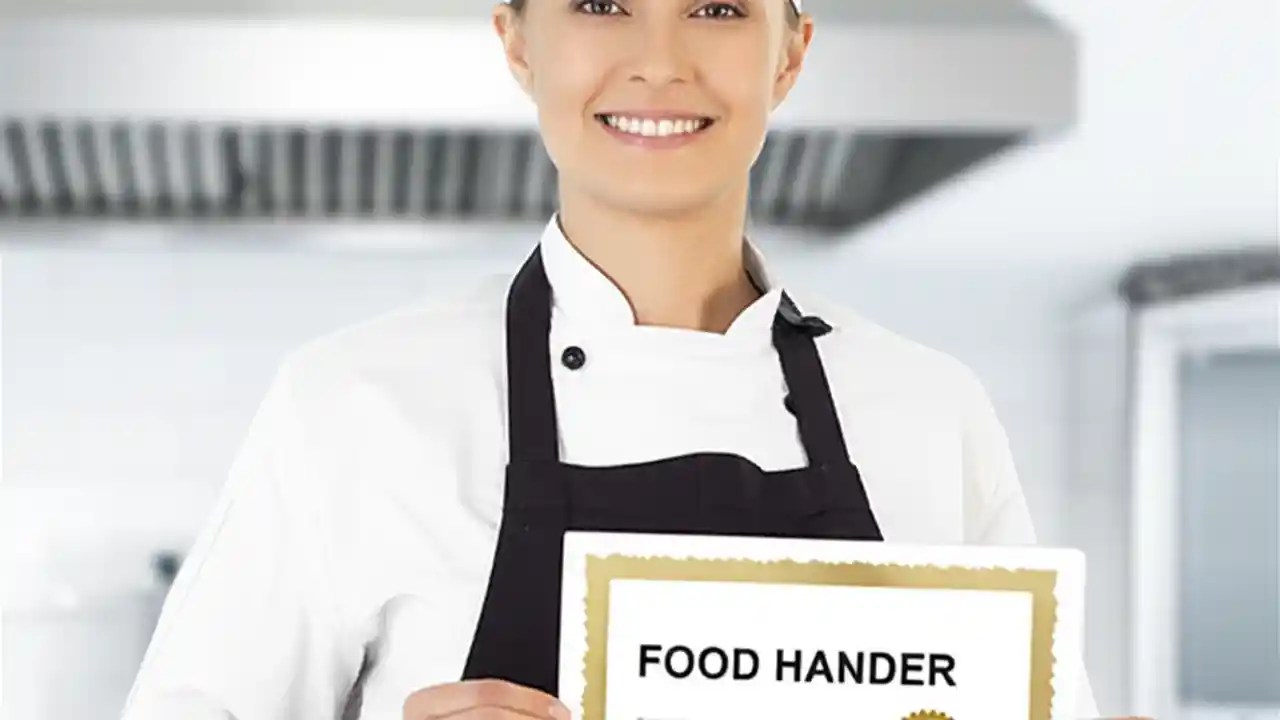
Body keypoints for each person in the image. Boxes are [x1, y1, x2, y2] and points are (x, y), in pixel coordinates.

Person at [120, 1, 1125, 718]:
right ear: (515, 39)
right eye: (601, 2)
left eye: (719, 9)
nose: (660, 61)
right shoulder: (353, 404)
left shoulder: (929, 411)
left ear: (789, 52)